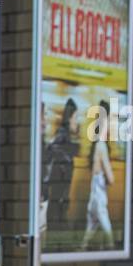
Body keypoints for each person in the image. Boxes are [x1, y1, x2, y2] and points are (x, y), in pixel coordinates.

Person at [81, 98, 116, 251]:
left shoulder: (97, 145)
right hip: (99, 197)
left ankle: (82, 248)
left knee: (90, 228)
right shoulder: (101, 147)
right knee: (108, 233)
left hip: (94, 195)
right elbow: (111, 178)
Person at [41, 97, 81, 231]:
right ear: (69, 118)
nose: (77, 121)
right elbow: (51, 158)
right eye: (76, 117)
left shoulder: (67, 139)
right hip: (56, 203)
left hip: (59, 202)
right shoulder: (62, 137)